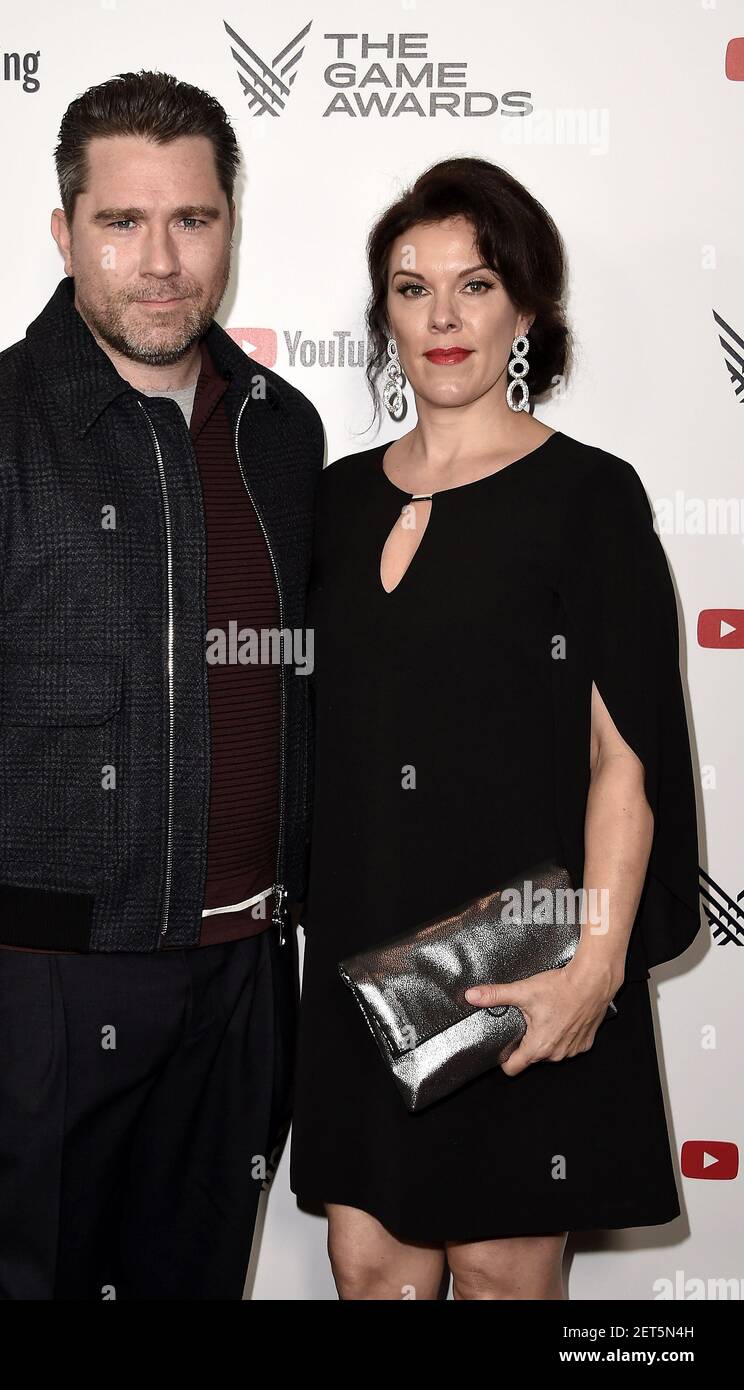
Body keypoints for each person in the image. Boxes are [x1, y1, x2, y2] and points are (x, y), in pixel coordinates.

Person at [0, 70, 324, 1300]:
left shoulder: (284, 432)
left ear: (231, 223)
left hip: (243, 979)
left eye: (192, 220)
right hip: (36, 985)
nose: (160, 261)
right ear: (65, 231)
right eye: (121, 221)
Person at [288, 156, 701, 1301]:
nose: (442, 317)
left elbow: (625, 761)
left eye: (473, 286)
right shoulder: (331, 499)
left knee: (498, 1276)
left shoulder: (588, 498)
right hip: (362, 960)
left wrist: (595, 967)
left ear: (523, 305)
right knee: (367, 1266)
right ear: (384, 314)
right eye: (412, 287)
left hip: (522, 959)